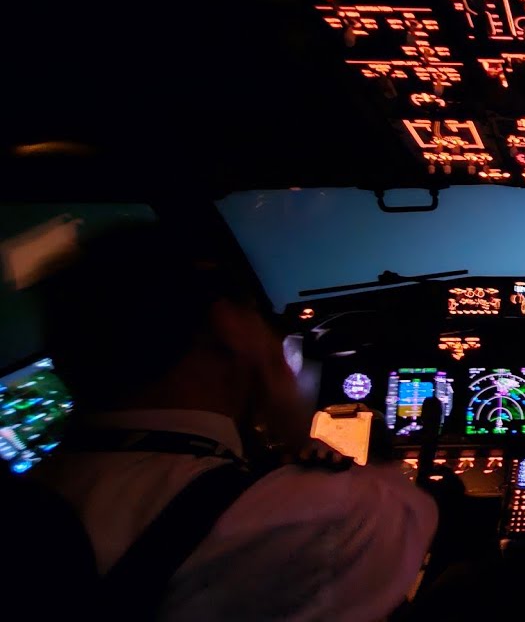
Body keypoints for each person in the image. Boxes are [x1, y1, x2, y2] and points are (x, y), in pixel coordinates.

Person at [30, 221, 437, 620]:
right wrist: (292, 415)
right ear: (228, 325)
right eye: (258, 318)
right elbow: (406, 516)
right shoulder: (287, 514)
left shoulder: (37, 493)